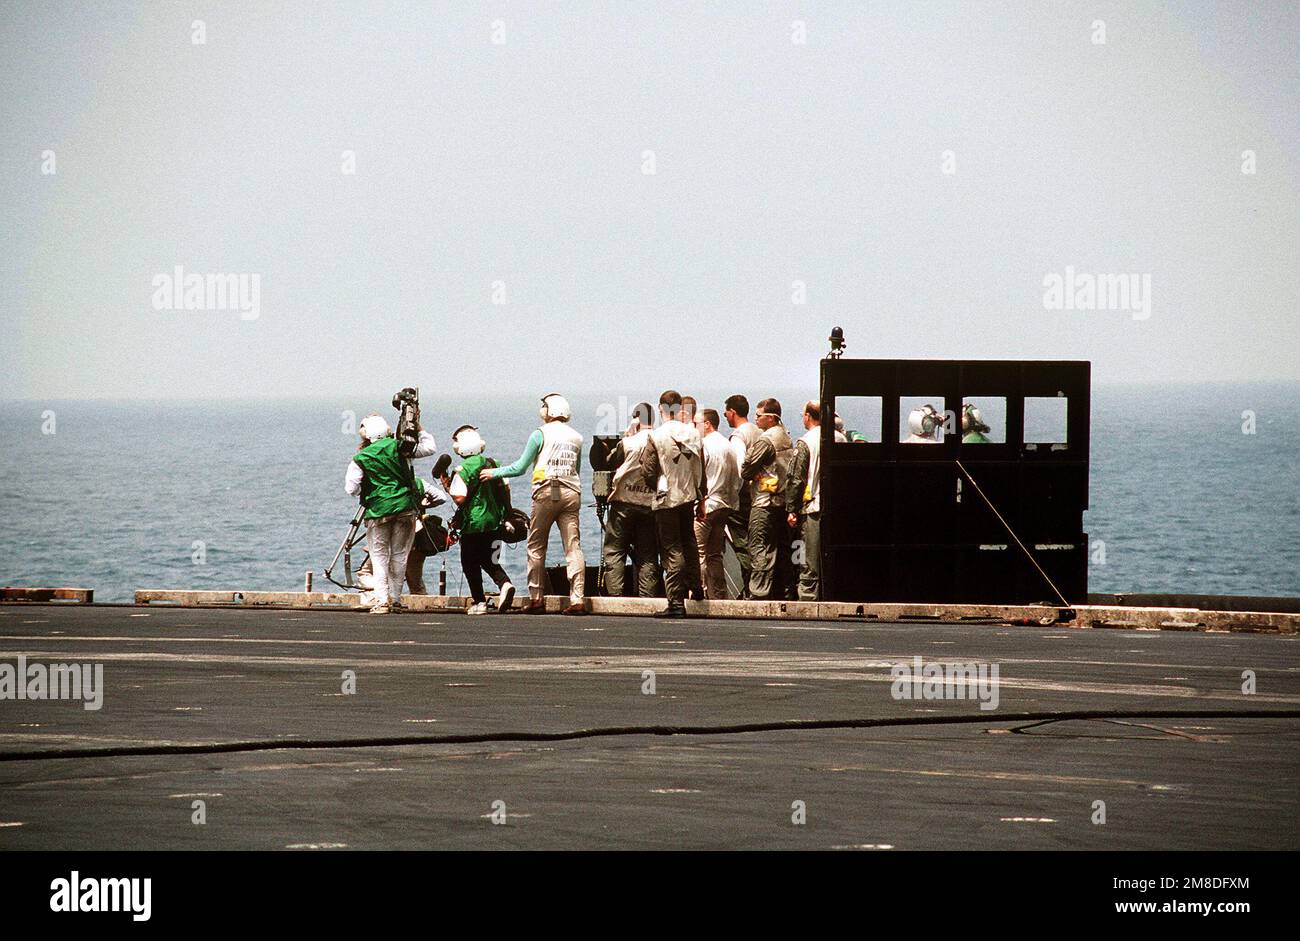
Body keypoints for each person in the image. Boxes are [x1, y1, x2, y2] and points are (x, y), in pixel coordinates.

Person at [481, 393, 586, 615]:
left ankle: (537, 599)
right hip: (571, 492)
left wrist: (493, 473)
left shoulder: (539, 434)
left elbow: (519, 467)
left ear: (549, 411)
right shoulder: (577, 437)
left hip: (546, 491)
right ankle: (577, 599)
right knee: (573, 547)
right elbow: (576, 467)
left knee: (536, 546)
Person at [344, 413, 436, 614]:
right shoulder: (399, 447)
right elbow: (429, 447)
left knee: (379, 557)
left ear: (366, 435)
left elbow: (351, 489)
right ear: (387, 431)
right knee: (400, 556)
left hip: (378, 510)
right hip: (405, 507)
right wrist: (418, 427)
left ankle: (382, 600)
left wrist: (369, 488)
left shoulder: (361, 457)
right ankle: (395, 599)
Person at [640, 390, 706, 618]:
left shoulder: (656, 436)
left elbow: (648, 471)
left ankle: (676, 602)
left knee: (672, 549)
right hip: (689, 496)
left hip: (666, 498)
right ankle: (697, 588)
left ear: (661, 409)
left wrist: (658, 485)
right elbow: (702, 469)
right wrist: (702, 498)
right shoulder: (694, 434)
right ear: (680, 409)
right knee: (689, 541)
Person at [448, 425, 516, 616]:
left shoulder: (462, 468)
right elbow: (506, 489)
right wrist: (507, 514)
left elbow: (459, 498)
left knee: (469, 561)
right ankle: (505, 583)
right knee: (489, 559)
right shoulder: (494, 463)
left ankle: (479, 601)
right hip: (494, 520)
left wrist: (448, 486)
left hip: (473, 523)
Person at [601, 402, 659, 597]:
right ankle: (647, 598)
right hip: (649, 503)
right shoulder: (660, 440)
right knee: (648, 555)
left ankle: (615, 596)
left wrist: (627, 436)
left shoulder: (628, 443)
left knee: (615, 550)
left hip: (623, 502)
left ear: (635, 419)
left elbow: (609, 461)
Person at [740, 398, 794, 601]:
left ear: (770, 418)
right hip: (782, 501)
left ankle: (759, 592)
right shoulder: (786, 437)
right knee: (781, 549)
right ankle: (785, 590)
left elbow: (746, 469)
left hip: (763, 501)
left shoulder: (766, 440)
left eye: (759, 415)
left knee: (759, 546)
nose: (755, 419)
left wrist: (754, 474)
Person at [695, 408, 740, 599]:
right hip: (724, 505)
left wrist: (700, 502)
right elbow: (736, 478)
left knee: (699, 553)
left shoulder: (704, 445)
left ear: (707, 424)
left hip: (707, 505)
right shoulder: (728, 445)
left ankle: (699, 593)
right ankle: (720, 596)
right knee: (715, 554)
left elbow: (698, 477)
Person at [786, 400, 826, 601]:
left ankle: (807, 595)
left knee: (805, 553)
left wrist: (791, 508)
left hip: (811, 506)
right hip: (830, 506)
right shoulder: (836, 437)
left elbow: (796, 478)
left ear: (808, 416)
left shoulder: (806, 442)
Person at [723, 394, 762, 596]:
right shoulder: (758, 431)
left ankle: (750, 588)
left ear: (732, 412)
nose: (725, 417)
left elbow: (738, 470)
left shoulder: (739, 436)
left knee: (742, 544)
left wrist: (732, 499)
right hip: (759, 495)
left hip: (743, 497)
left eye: (725, 413)